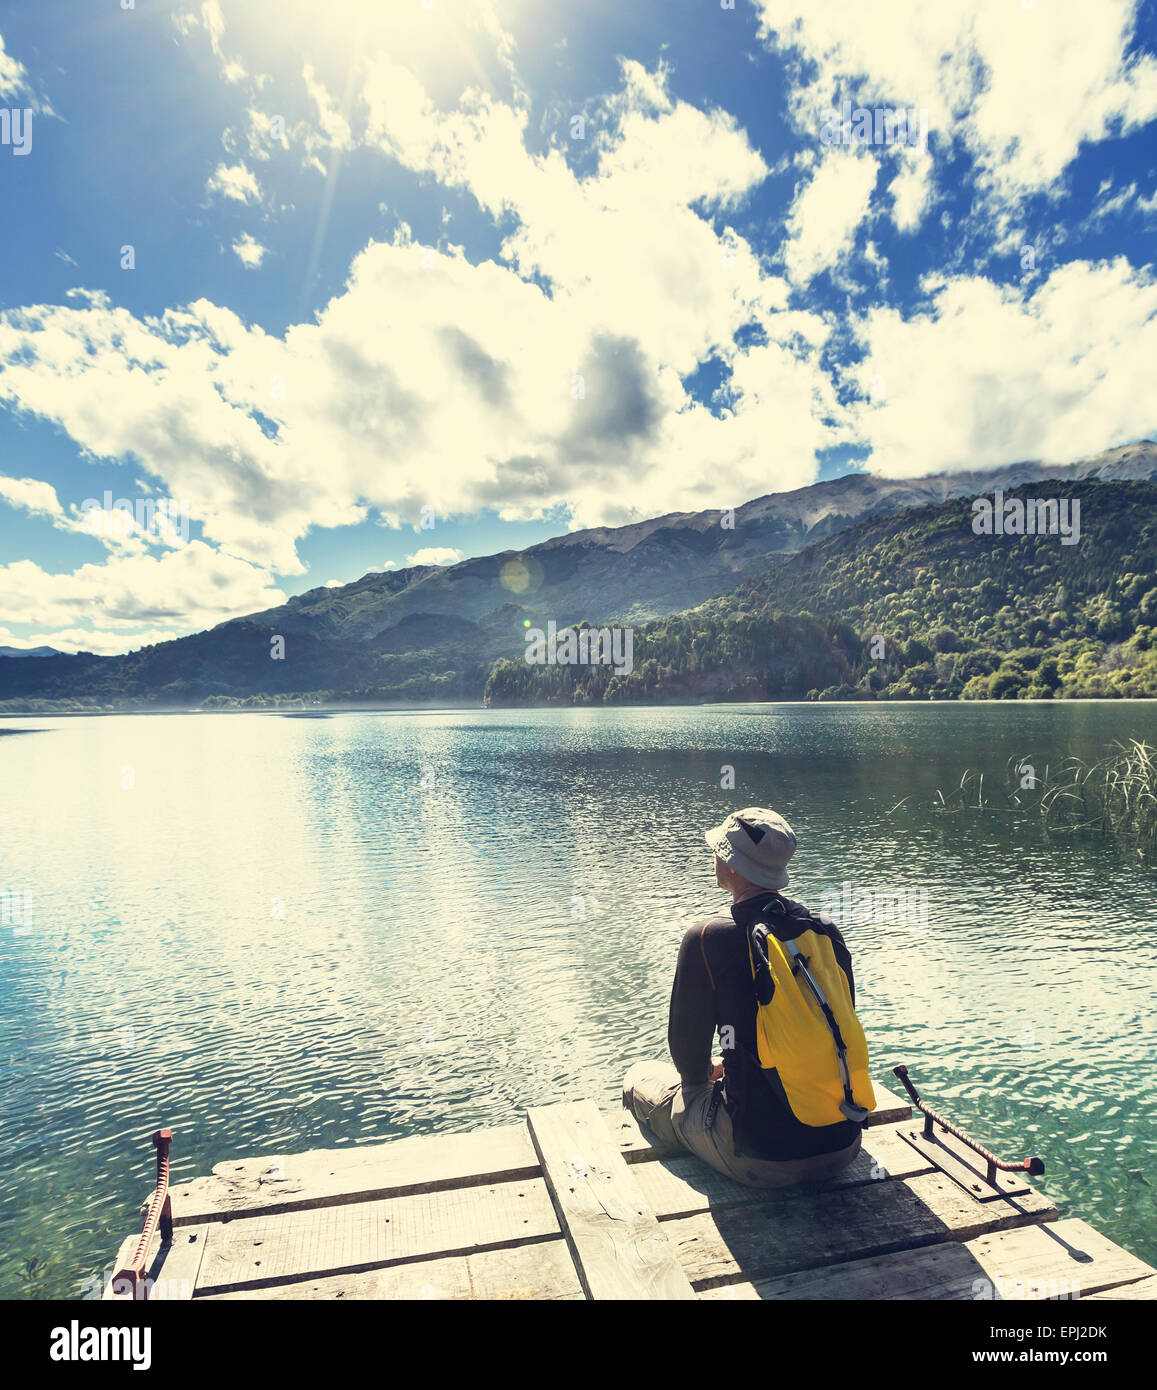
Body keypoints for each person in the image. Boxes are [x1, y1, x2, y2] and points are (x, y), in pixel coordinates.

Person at [622, 807, 867, 1187]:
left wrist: (710, 1074)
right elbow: (828, 1024)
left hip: (762, 1162)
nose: (714, 856)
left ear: (733, 867)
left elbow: (687, 1057)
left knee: (640, 1078)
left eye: (719, 850)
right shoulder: (824, 930)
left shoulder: (707, 938)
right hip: (844, 1145)